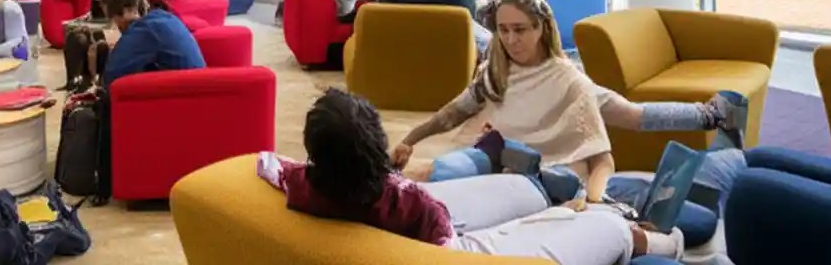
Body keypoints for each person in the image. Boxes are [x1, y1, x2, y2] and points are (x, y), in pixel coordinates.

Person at [258, 89, 682, 262]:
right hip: (451, 252)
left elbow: (265, 163)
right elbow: (443, 241)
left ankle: (562, 206)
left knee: (526, 191)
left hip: (403, 233)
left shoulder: (306, 184)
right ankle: (658, 240)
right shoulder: (410, 202)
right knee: (605, 228)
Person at [392, 0, 746, 196]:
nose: (510, 40)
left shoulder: (568, 79)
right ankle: (711, 114)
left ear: (541, 30)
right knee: (632, 114)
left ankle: (711, 114)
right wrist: (411, 139)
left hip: (559, 107)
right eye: (503, 30)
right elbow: (454, 112)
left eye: (520, 30)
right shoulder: (496, 72)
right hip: (509, 153)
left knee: (633, 116)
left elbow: (601, 157)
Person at [99, 0, 206, 92]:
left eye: (111, 18)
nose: (113, 24)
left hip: (182, 94)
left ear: (126, 12)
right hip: (197, 90)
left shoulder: (144, 30)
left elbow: (111, 78)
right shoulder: (163, 16)